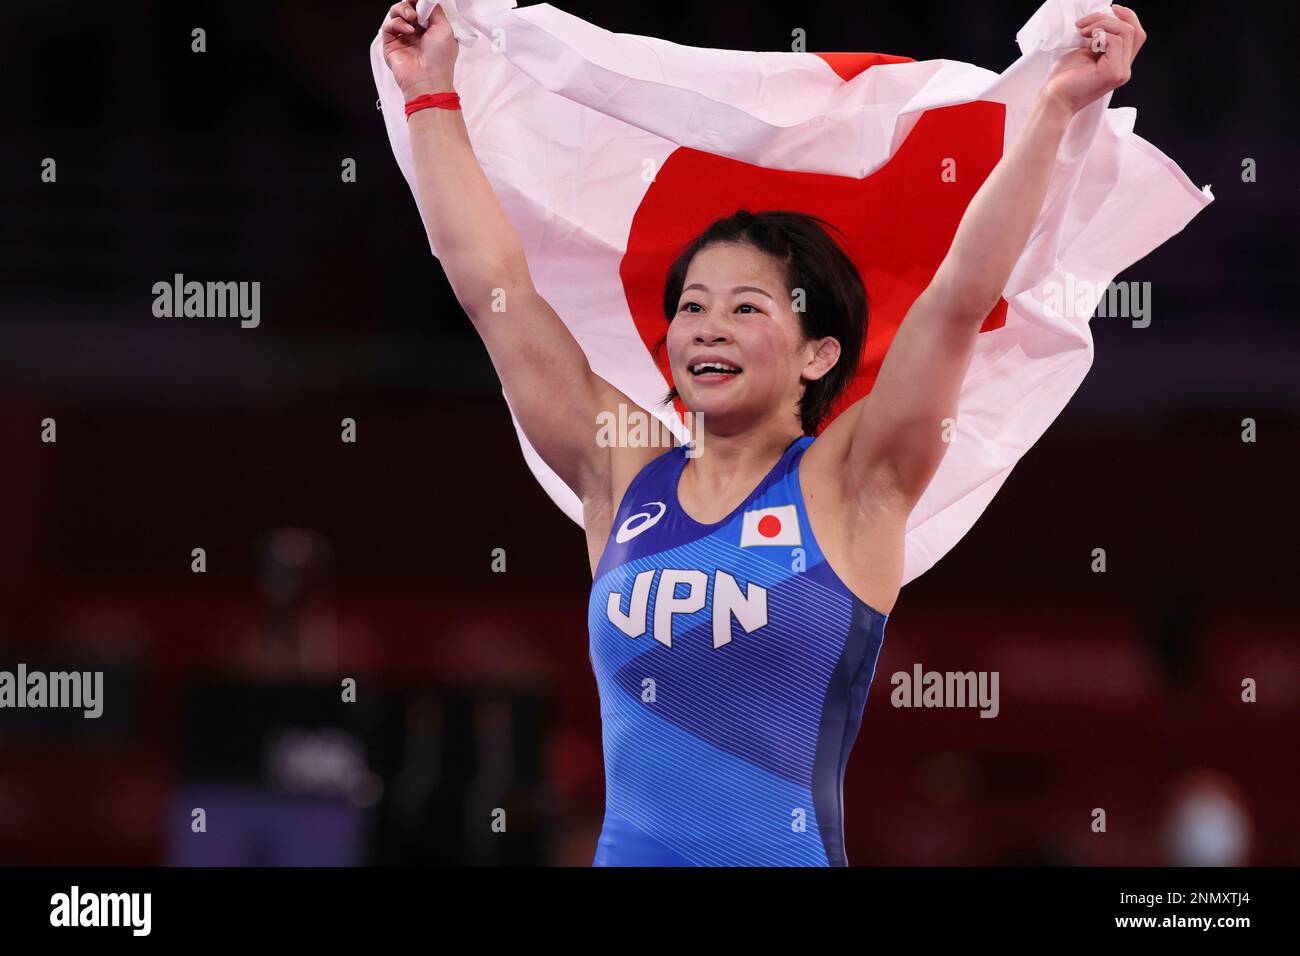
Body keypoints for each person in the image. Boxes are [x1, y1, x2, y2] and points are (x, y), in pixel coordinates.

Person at [381, 1, 1147, 865]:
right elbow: (495, 291)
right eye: (692, 308)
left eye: (747, 308)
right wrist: (429, 94)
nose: (707, 327)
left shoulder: (858, 480)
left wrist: (1053, 109)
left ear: (820, 353)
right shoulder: (620, 468)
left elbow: (959, 297)